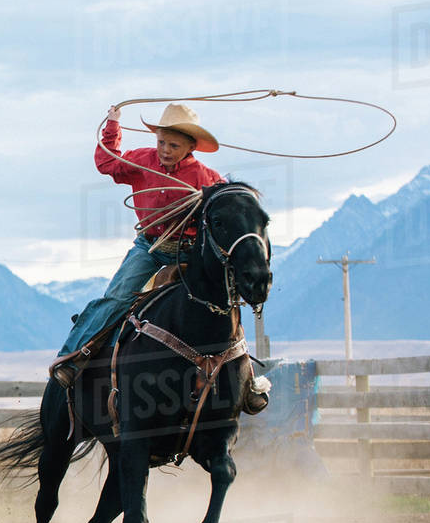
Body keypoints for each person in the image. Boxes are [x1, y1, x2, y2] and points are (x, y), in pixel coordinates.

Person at [50, 102, 268, 413]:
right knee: (116, 298)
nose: (165, 150)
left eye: (174, 145)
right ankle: (74, 357)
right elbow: (107, 162)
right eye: (162, 142)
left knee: (223, 302)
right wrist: (113, 125)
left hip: (189, 251)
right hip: (149, 248)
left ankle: (247, 380)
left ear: (190, 147)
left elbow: (228, 204)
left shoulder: (206, 178)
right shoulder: (143, 161)